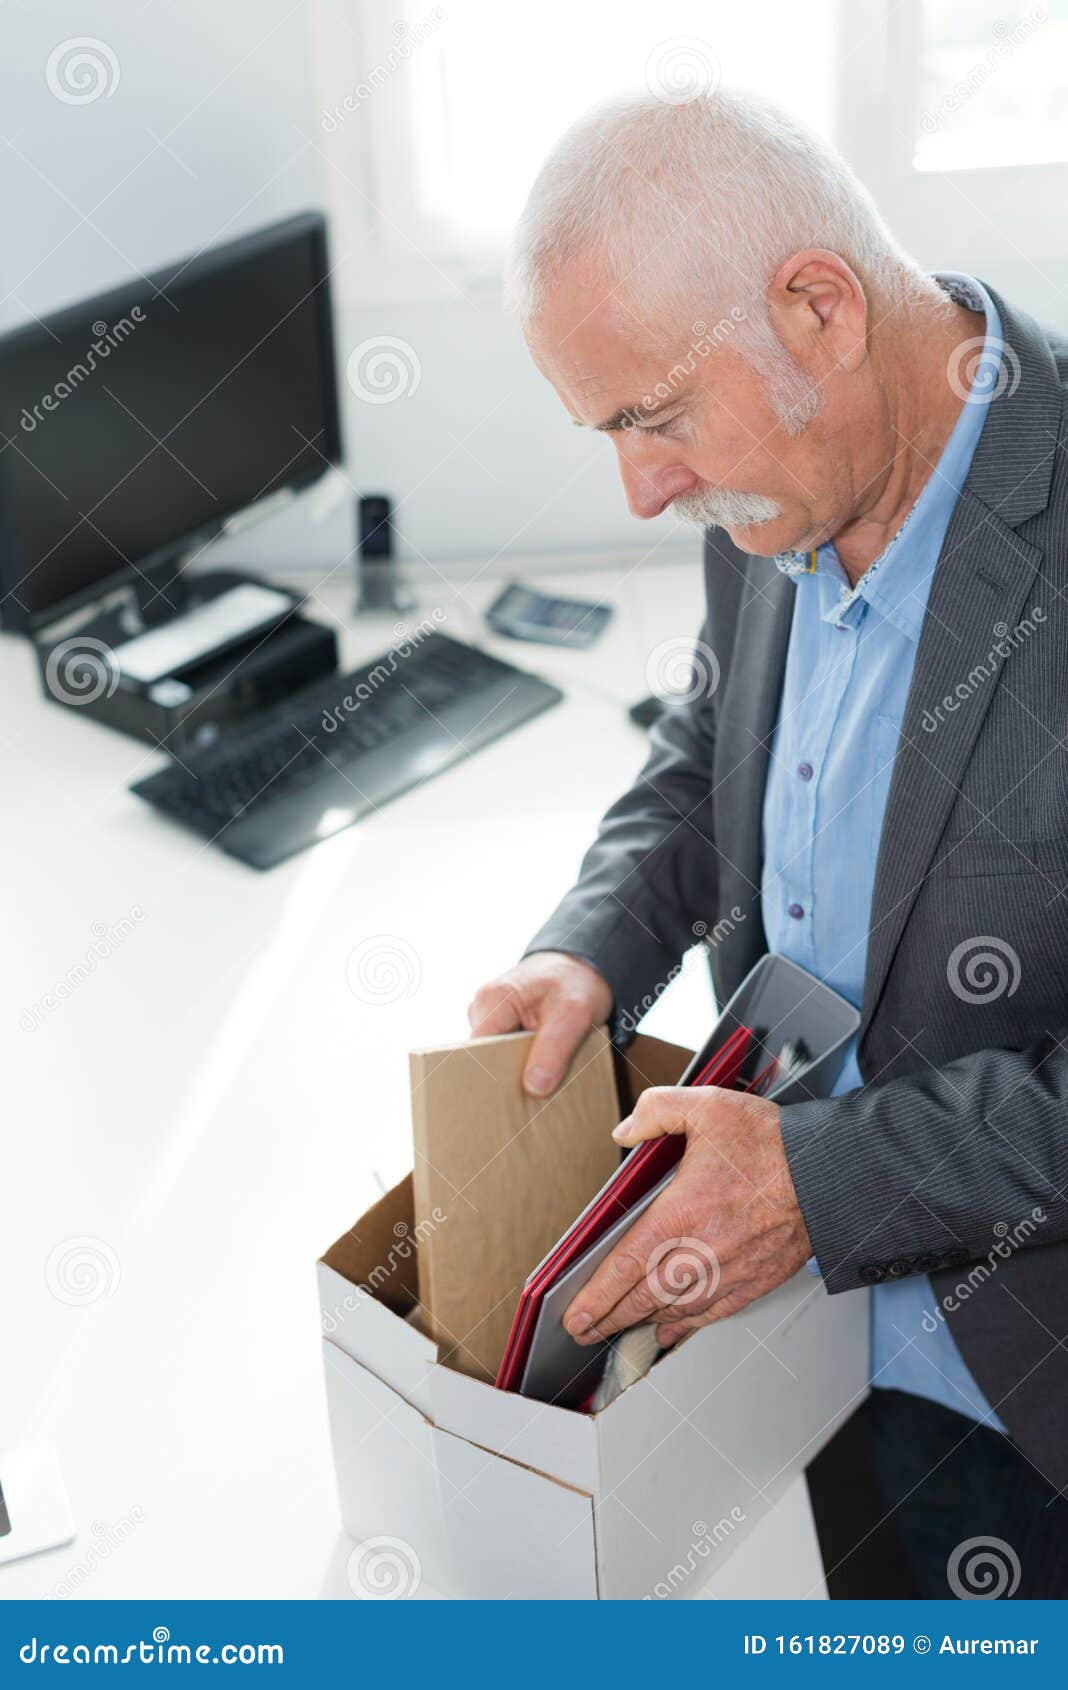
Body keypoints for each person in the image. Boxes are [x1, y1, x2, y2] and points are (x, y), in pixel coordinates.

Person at [469, 88, 1068, 1599]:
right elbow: (709, 752)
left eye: (652, 417)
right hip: (791, 1359)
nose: (643, 489)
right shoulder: (788, 489)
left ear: (818, 307)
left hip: (1023, 1400)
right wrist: (588, 941)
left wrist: (827, 1180)